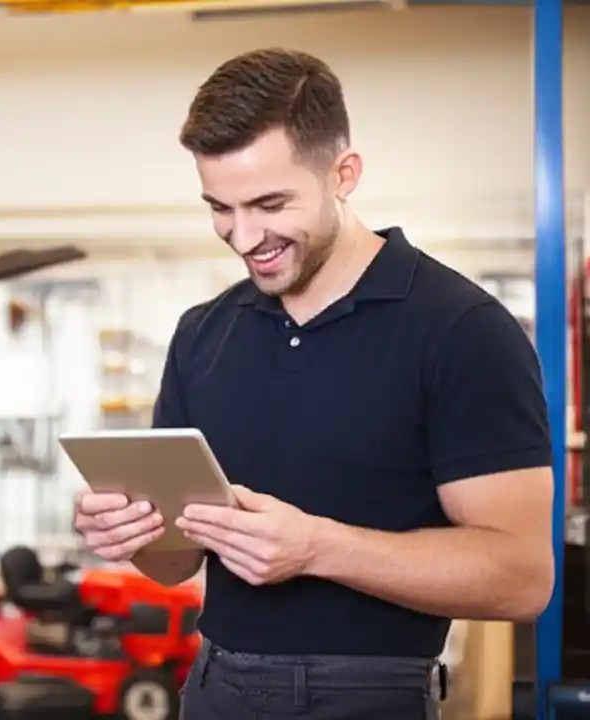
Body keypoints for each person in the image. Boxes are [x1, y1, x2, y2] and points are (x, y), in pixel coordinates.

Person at [72, 47, 555, 719]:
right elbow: (178, 563)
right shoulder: (202, 334)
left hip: (368, 696)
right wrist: (131, 530)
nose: (244, 237)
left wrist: (318, 549)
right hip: (212, 688)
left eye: (269, 204)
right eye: (220, 208)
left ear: (343, 174)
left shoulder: (461, 329)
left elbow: (522, 579)